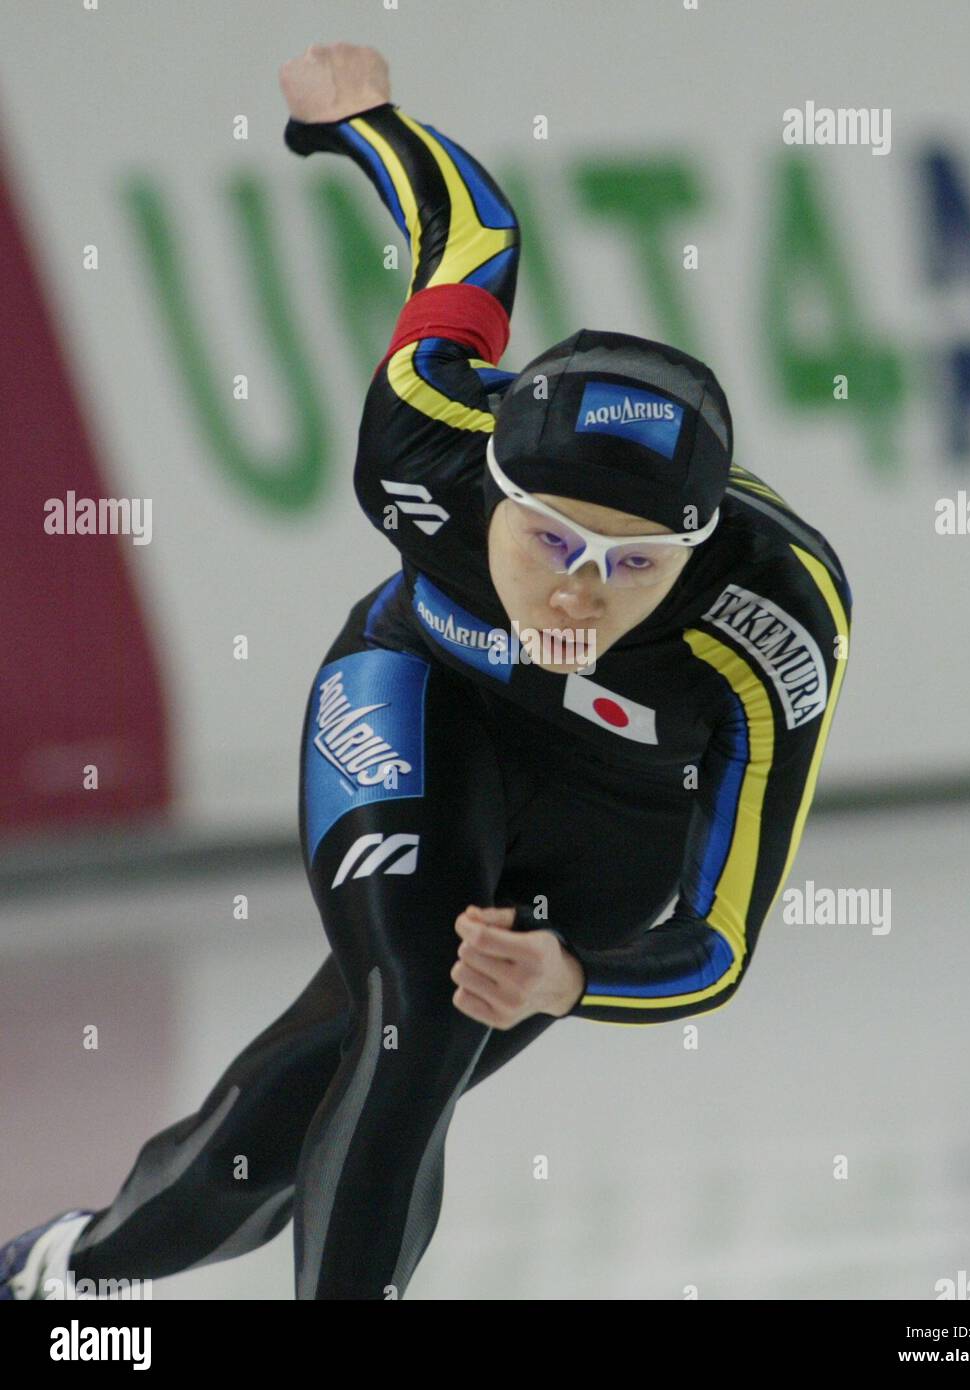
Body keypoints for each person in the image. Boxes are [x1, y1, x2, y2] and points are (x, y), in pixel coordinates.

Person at [1, 42, 852, 1301]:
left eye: (632, 566)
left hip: (609, 834)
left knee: (298, 1119)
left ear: (699, 547)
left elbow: (721, 938)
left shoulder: (776, 615)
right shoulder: (425, 429)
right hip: (425, 701)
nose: (577, 589)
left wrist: (576, 977)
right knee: (419, 1018)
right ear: (489, 486)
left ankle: (67, 1275)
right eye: (550, 540)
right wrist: (359, 118)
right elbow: (468, 227)